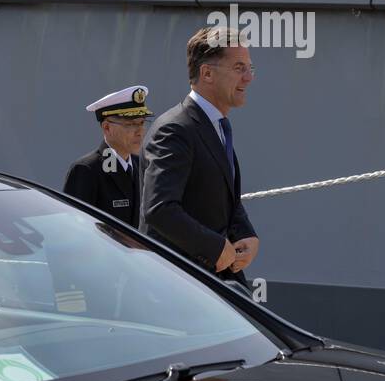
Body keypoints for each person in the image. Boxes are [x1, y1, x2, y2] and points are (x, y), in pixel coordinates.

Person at [140, 27, 259, 286]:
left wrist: (246, 234)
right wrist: (215, 247)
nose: (249, 77)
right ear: (207, 73)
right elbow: (159, 209)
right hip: (178, 284)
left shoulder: (216, 126)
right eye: (239, 68)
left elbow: (224, 195)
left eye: (250, 68)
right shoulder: (175, 129)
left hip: (212, 280)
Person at [62, 85, 153, 228]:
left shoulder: (141, 164)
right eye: (131, 124)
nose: (140, 131)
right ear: (107, 128)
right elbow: (75, 228)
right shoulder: (86, 170)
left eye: (141, 123)